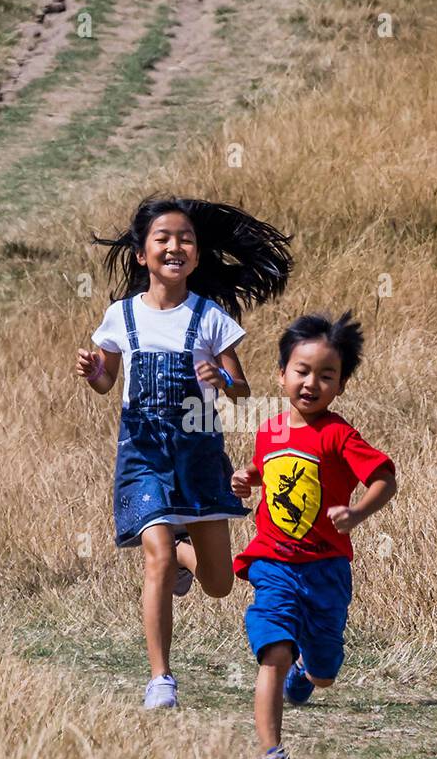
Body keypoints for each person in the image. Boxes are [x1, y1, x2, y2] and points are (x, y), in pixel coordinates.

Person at [76, 195, 292, 709]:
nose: (176, 246)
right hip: (143, 455)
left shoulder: (209, 317)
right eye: (163, 239)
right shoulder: (120, 316)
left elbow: (241, 388)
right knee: (154, 556)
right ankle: (161, 680)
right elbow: (108, 381)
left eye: (186, 239)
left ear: (197, 255)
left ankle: (182, 556)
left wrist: (222, 377)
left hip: (198, 459)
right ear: (140, 253)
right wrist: (95, 374)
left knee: (219, 584)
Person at [231, 310, 396, 759]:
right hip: (274, 563)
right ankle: (271, 755)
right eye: (302, 371)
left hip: (326, 569)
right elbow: (268, 470)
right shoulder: (270, 430)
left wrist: (360, 512)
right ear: (282, 374)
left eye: (327, 375)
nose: (311, 383)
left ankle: (308, 674)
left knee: (323, 673)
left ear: (341, 385)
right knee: (274, 652)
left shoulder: (340, 435)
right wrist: (247, 479)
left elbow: (386, 477)